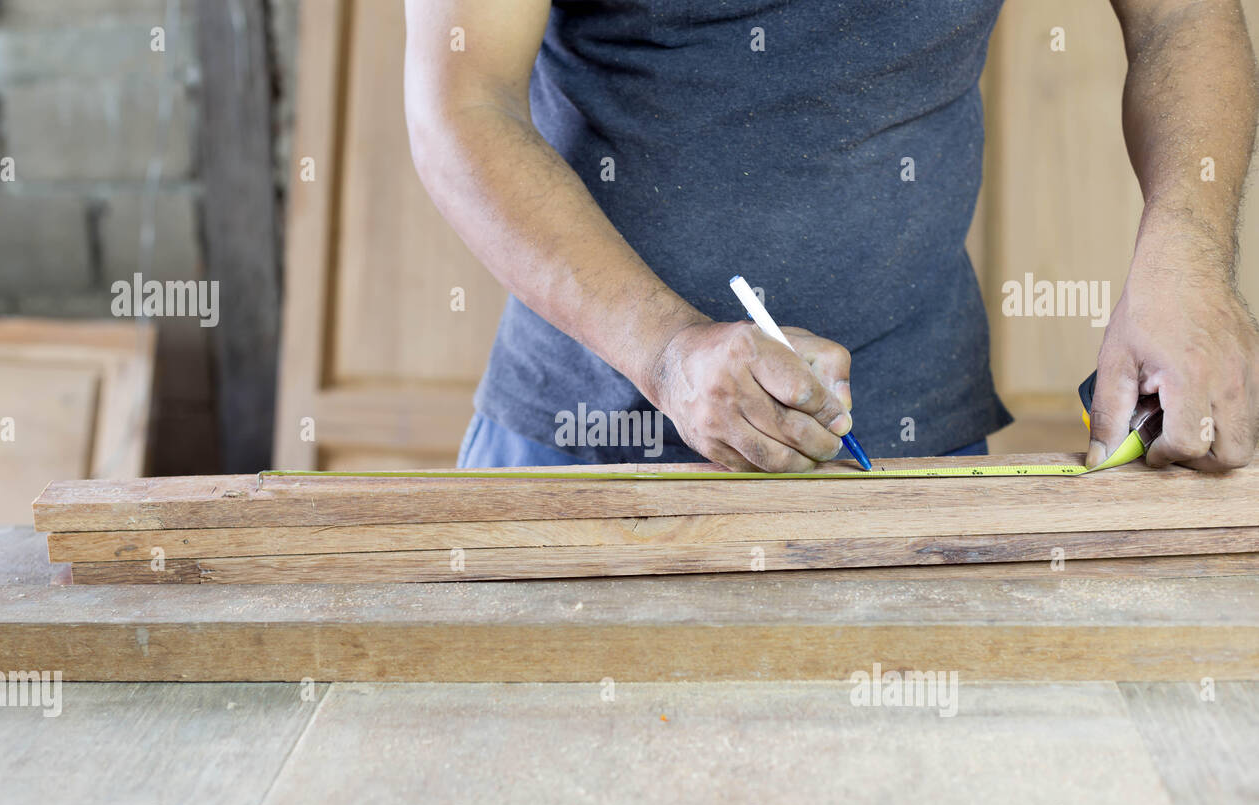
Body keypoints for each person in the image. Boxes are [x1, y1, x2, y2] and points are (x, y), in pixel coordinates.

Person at [405, 0, 1259, 472]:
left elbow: (1182, 19)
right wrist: (666, 353)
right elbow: (461, 100)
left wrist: (1188, 256)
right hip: (585, 442)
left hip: (912, 447)